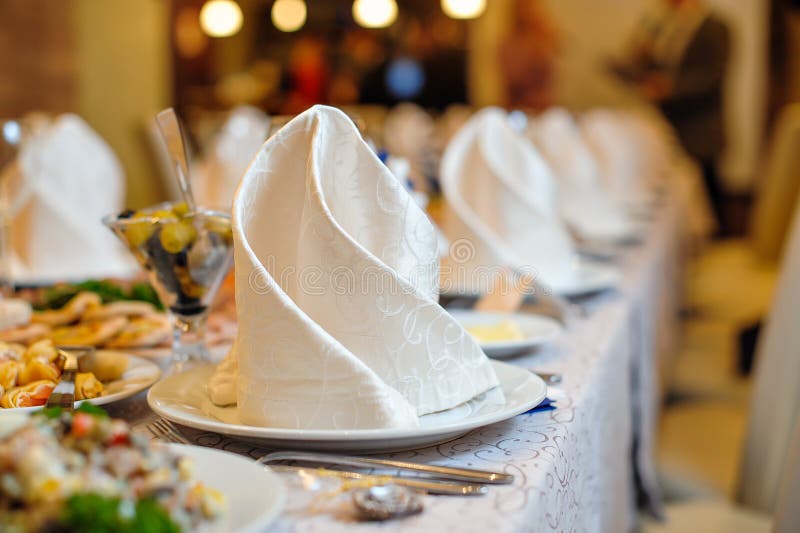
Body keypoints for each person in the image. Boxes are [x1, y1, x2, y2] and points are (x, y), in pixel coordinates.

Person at [611, 0, 730, 228]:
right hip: (668, 124)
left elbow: (712, 76)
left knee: (708, 197)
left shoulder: (717, 27)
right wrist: (639, 55)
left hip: (701, 127)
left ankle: (713, 250)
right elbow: (646, 71)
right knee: (673, 200)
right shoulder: (663, 28)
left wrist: (670, 88)